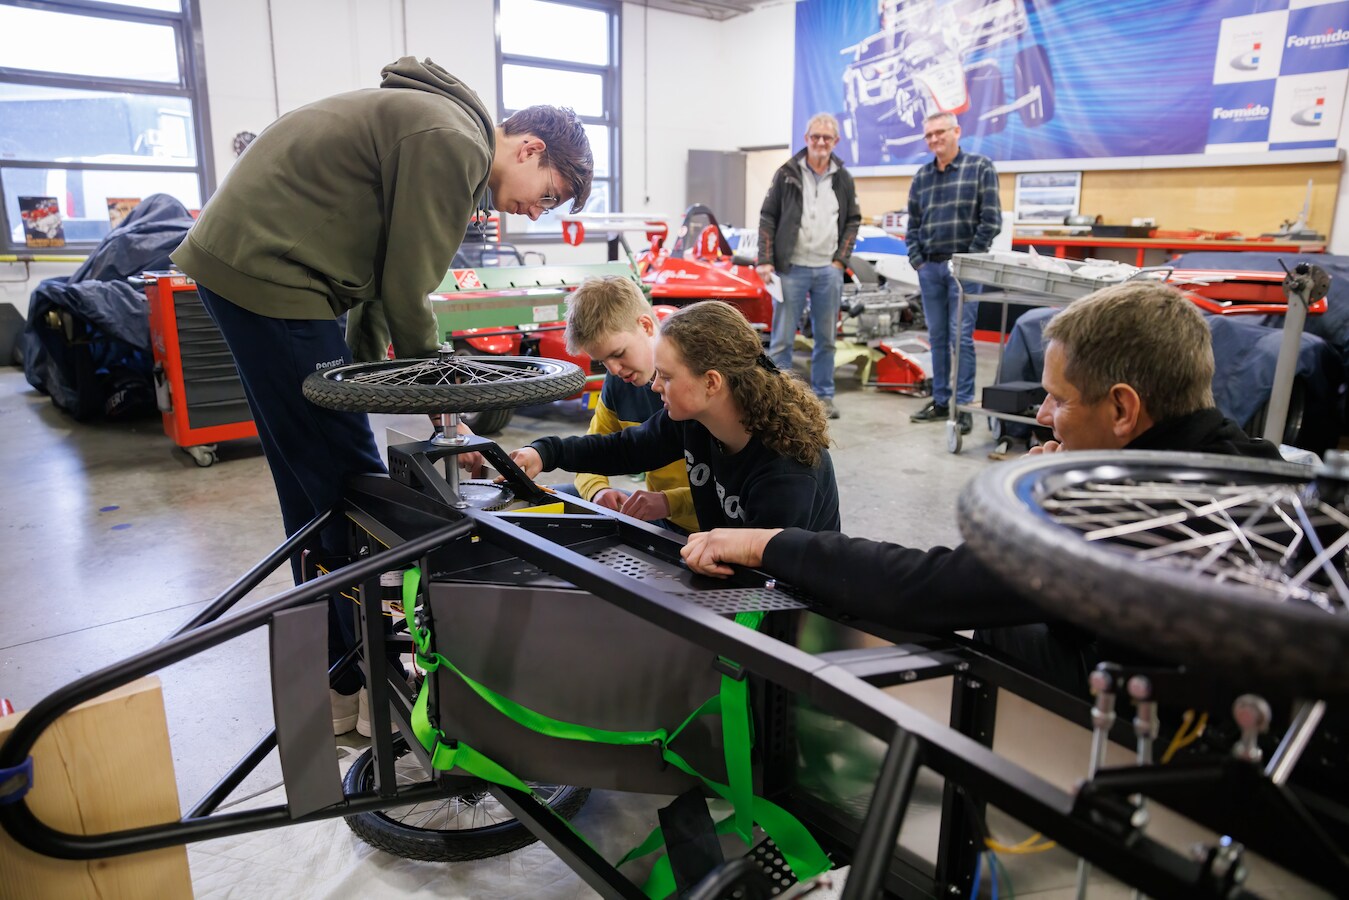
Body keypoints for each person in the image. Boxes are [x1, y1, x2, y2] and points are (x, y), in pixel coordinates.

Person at [171, 56, 593, 736]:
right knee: (352, 492)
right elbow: (405, 288)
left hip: (253, 266)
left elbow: (373, 287)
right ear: (528, 148)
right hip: (270, 272)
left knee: (312, 485)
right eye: (547, 193)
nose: (533, 209)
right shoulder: (454, 142)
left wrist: (377, 380)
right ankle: (371, 686)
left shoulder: (439, 129)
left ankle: (341, 678)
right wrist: (432, 384)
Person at [681, 282, 1282, 696]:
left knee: (993, 627)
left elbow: (931, 588)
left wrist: (767, 545)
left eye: (1060, 399)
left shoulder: (1133, 511)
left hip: (1172, 750)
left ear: (1124, 409)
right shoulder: (1255, 464)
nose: (1044, 416)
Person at [510, 300, 840, 533]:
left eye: (666, 377)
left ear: (711, 382)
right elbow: (626, 449)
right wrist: (546, 452)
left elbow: (763, 587)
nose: (655, 386)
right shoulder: (693, 422)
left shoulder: (785, 470)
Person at [561, 275, 698, 533]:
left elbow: (733, 488)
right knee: (560, 498)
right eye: (602, 362)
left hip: (717, 529)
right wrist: (598, 491)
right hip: (666, 519)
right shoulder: (619, 383)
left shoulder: (700, 378)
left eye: (618, 354)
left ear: (646, 326)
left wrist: (669, 502)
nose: (613, 370)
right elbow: (592, 450)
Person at [756, 112, 862, 421]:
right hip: (791, 269)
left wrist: (840, 261)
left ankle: (825, 395)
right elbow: (767, 216)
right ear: (807, 139)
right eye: (815, 137)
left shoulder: (842, 177)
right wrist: (765, 260)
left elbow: (853, 220)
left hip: (828, 271)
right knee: (782, 339)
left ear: (835, 142)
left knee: (827, 338)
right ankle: (778, 396)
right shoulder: (787, 173)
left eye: (826, 138)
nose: (820, 142)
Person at [905, 110, 1001, 435]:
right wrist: (917, 260)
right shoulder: (922, 177)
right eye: (929, 135)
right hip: (930, 267)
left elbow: (991, 220)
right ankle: (941, 401)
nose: (934, 140)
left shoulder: (980, 168)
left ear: (956, 131)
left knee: (961, 338)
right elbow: (913, 225)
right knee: (937, 338)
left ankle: (962, 406)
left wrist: (968, 260)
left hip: (963, 268)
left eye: (940, 133)